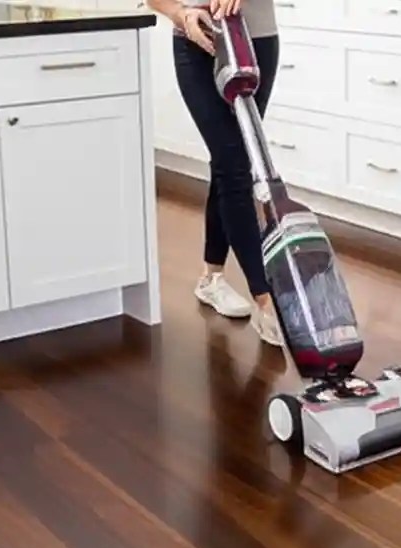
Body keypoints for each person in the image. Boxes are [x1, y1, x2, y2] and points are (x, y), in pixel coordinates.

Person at [148, 0, 283, 346]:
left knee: (230, 162)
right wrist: (180, 14)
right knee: (233, 161)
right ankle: (266, 301)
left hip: (256, 40)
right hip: (197, 40)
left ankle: (211, 278)